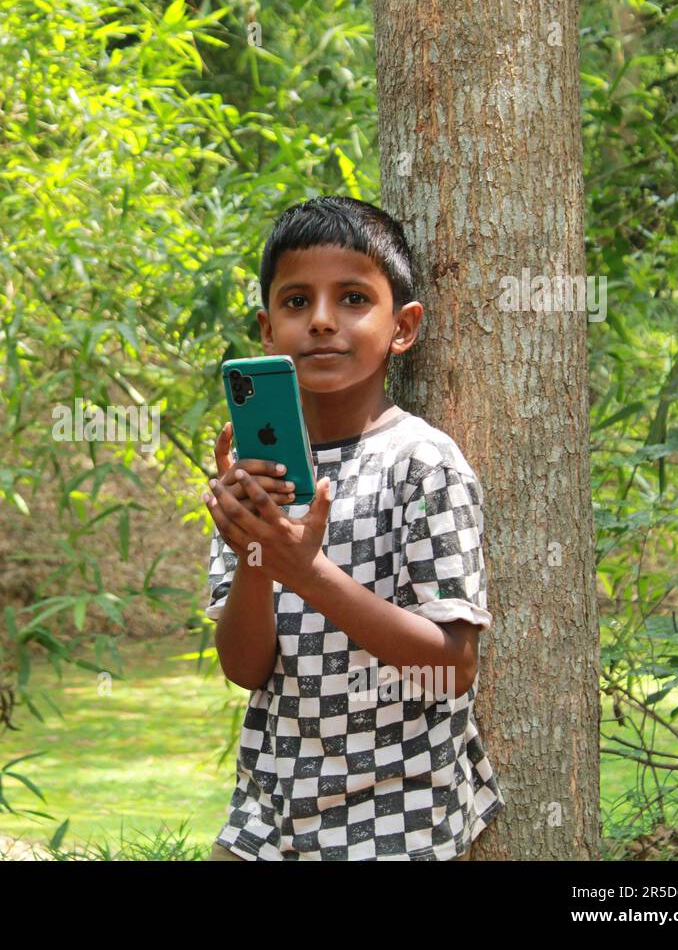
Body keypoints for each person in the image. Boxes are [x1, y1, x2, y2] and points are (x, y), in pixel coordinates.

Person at [201, 196, 504, 860]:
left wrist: (304, 570)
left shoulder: (422, 465)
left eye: (353, 299)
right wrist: (255, 552)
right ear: (266, 330)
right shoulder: (256, 479)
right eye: (296, 302)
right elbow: (246, 667)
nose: (321, 322)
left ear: (403, 326)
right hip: (269, 816)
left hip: (398, 819)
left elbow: (450, 669)